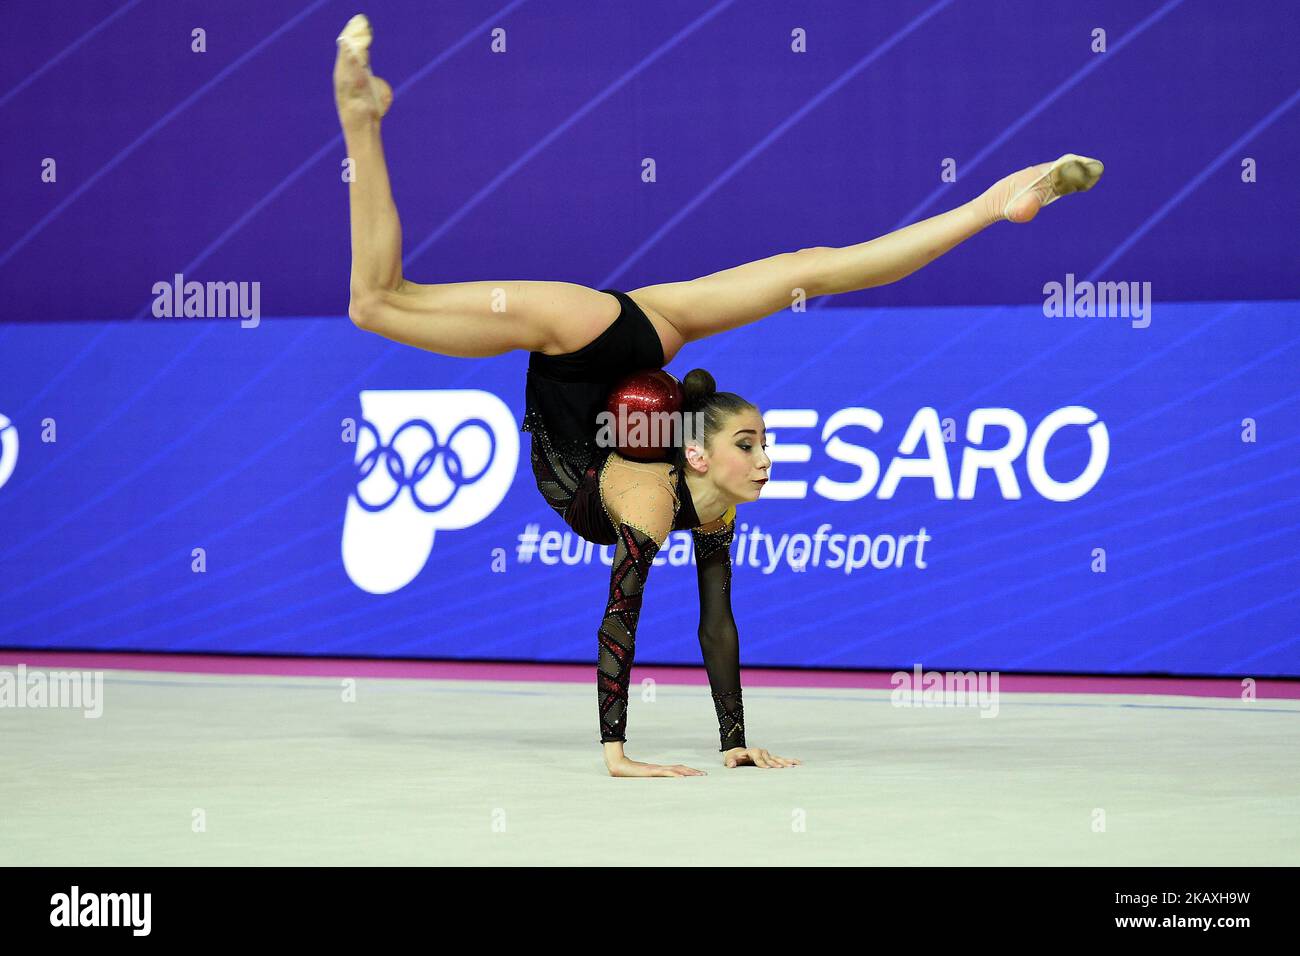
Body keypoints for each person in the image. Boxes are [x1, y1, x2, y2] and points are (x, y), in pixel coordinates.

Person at [333, 14, 1103, 776]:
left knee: (823, 266)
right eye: (753, 446)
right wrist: (617, 755)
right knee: (375, 303)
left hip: (633, 334)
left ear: (693, 454)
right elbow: (618, 626)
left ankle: (992, 204)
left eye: (758, 447)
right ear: (698, 451)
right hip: (578, 347)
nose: (765, 462)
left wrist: (734, 741)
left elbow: (714, 621)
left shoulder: (693, 500)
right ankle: (358, 115)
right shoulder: (655, 501)